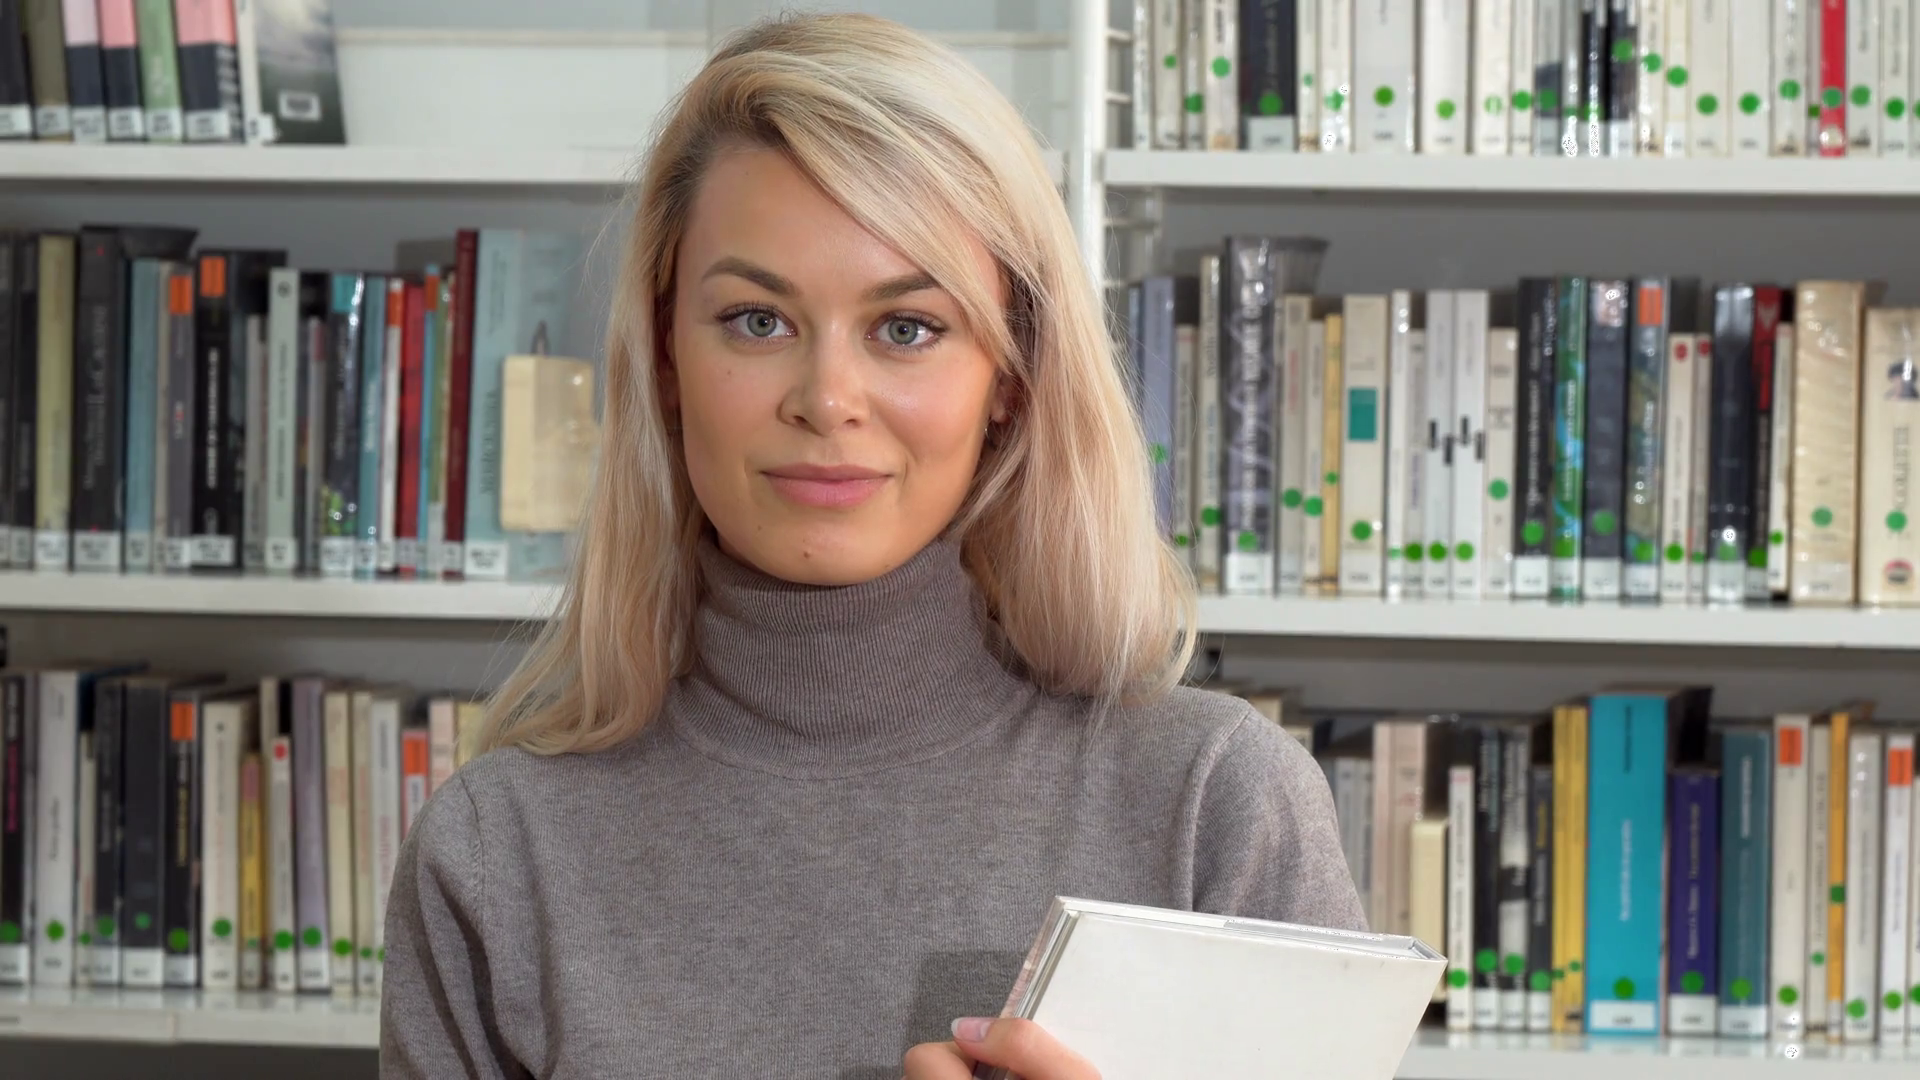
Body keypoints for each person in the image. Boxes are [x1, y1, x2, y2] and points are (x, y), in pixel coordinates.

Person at [380, 13, 1364, 1080]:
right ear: (664, 361)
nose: (827, 399)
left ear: (1011, 380)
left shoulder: (1215, 805)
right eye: (757, 320)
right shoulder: (496, 853)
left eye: (907, 328)